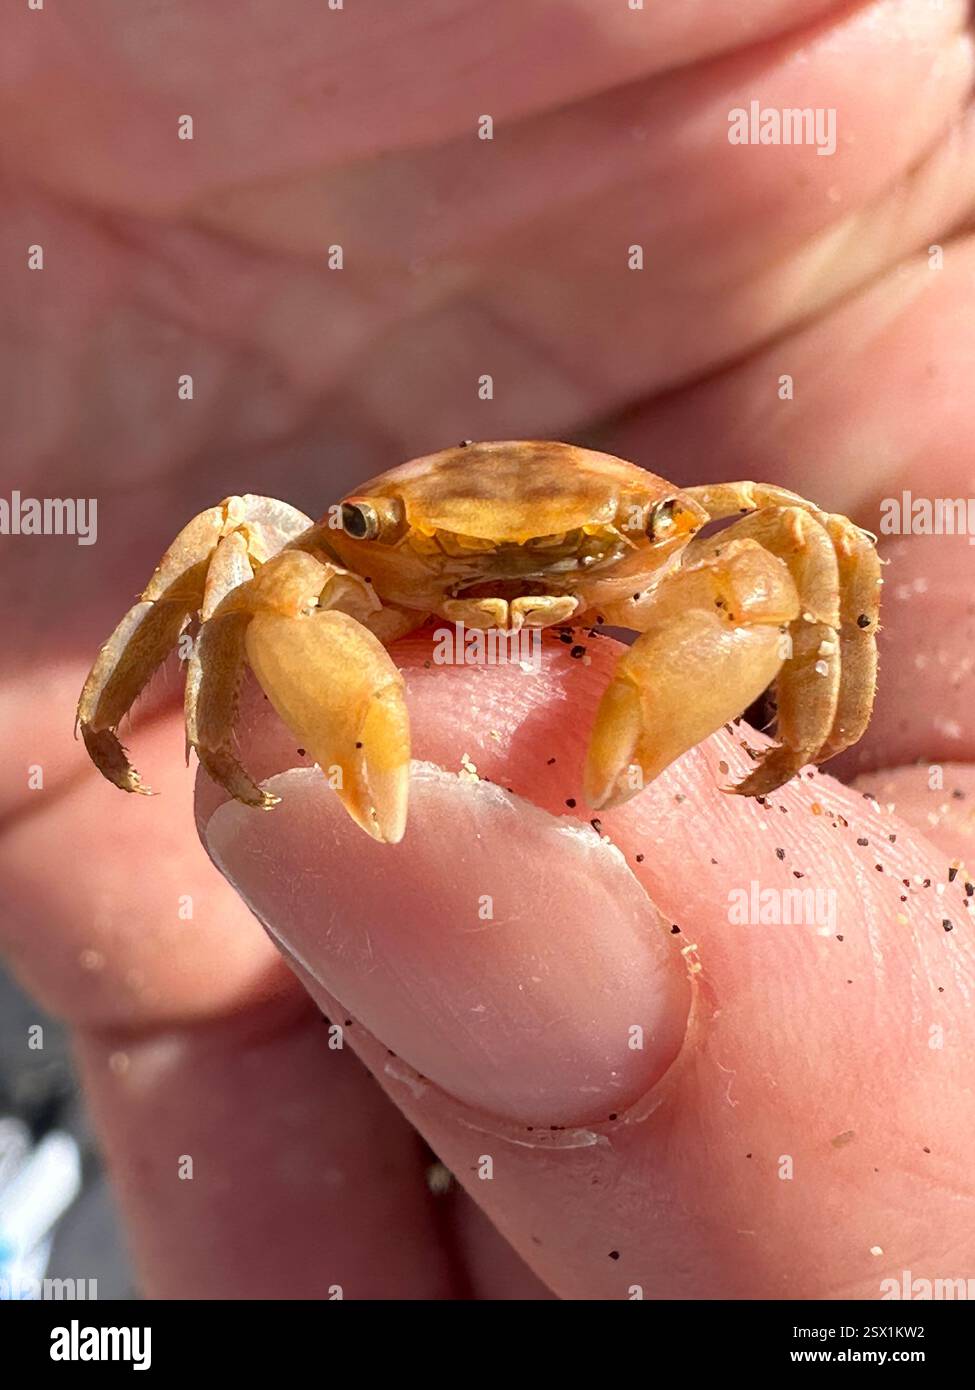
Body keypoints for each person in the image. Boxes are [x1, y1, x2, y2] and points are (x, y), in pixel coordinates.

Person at [1, 0, 973, 1299]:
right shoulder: (328, 561)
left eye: (578, 556)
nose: (511, 594)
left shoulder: (699, 541)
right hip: (380, 591)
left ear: (652, 528)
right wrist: (152, 714)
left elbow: (818, 554)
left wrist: (808, 727)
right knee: (241, 558)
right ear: (364, 536)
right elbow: (227, 569)